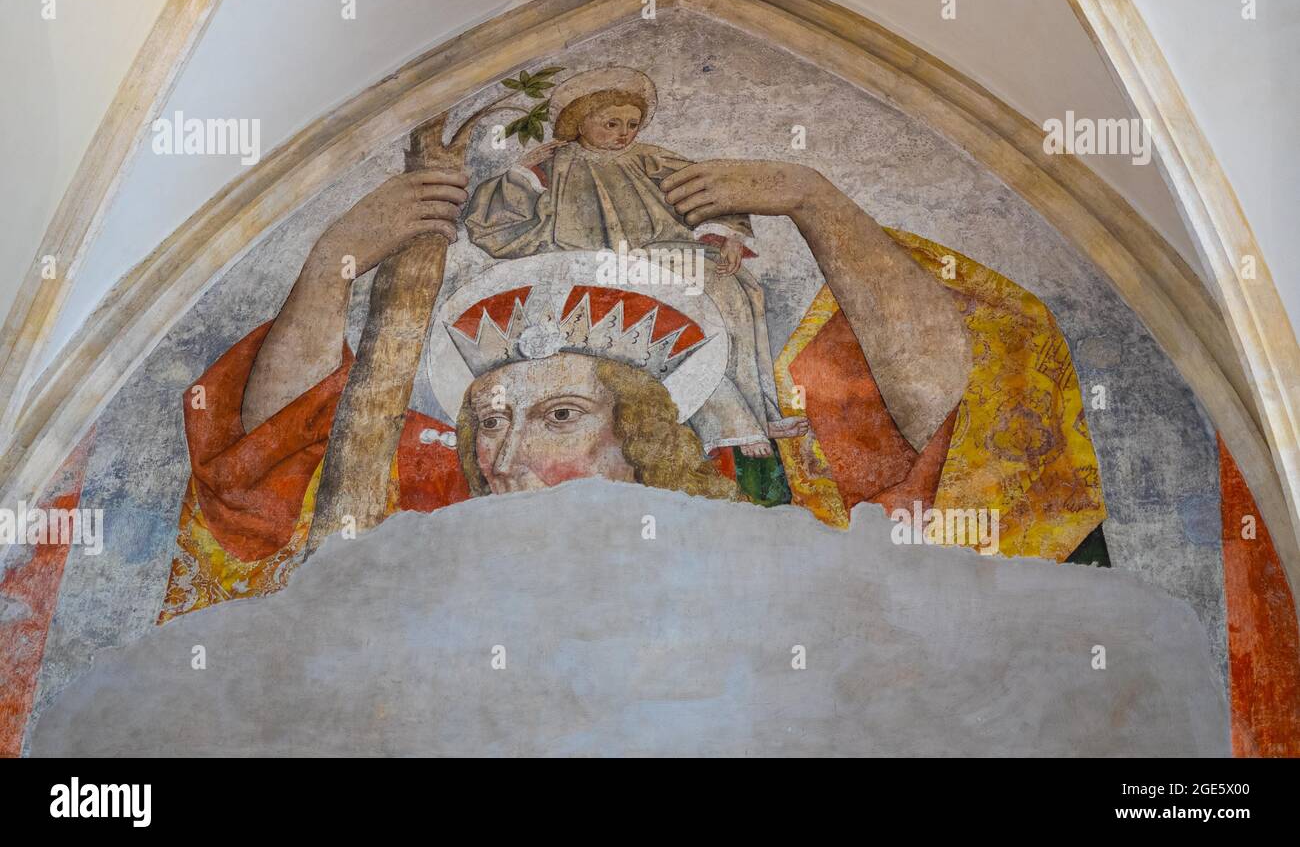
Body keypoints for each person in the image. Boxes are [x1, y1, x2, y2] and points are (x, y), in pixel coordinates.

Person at [159, 159, 1106, 623]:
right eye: (487, 421)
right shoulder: (435, 569)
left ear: (647, 434)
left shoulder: (767, 541)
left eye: (559, 414)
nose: (502, 453)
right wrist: (333, 262)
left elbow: (964, 418)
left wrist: (814, 200)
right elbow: (256, 491)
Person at [463, 67, 805, 458]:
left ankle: (760, 413)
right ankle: (729, 426)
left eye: (632, 123)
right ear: (581, 122)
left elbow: (706, 189)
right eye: (611, 123)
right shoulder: (554, 164)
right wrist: (522, 173)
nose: (624, 133)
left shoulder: (650, 157)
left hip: (666, 255)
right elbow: (492, 225)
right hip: (587, 265)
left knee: (733, 292)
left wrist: (727, 234)